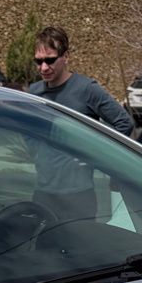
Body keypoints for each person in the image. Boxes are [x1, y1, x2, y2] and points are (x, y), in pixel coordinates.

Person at [25, 26, 134, 225]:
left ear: (65, 56)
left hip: (78, 196)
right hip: (43, 192)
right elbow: (26, 129)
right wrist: (36, 151)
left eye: (50, 60)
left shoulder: (86, 89)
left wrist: (95, 155)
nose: (43, 68)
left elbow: (124, 123)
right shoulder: (34, 92)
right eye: (38, 61)